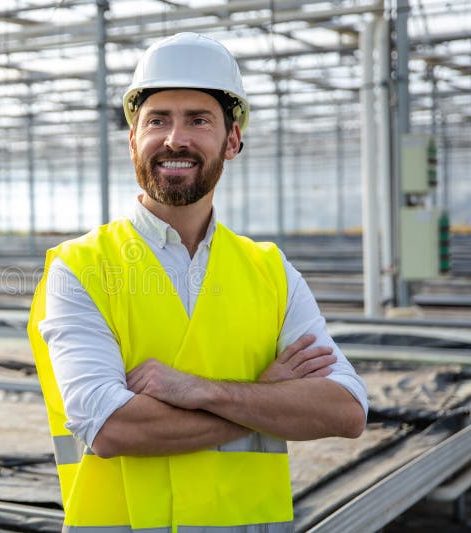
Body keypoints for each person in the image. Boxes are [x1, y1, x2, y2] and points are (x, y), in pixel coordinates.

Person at [27, 32, 367, 532]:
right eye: (157, 120)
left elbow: (346, 410)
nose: (175, 139)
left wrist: (203, 391)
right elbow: (111, 427)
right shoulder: (79, 267)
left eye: (199, 120)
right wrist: (263, 397)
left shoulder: (270, 270)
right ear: (132, 140)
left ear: (232, 140)